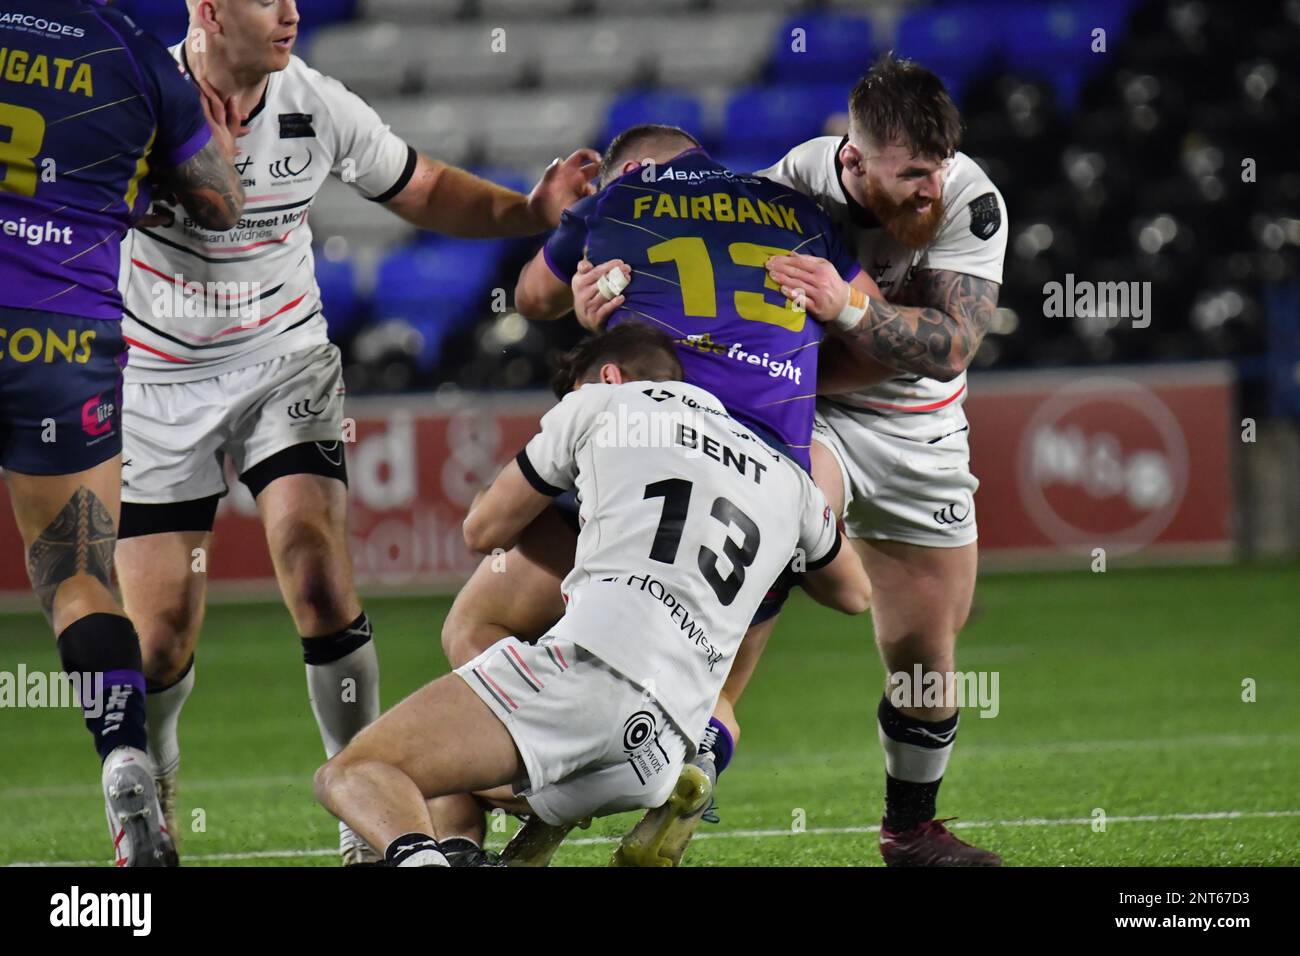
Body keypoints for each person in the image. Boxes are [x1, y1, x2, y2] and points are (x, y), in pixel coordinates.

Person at [112, 0, 599, 865]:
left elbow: (424, 186)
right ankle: (155, 810)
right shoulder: (140, 97)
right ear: (210, 11)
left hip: (284, 364)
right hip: (160, 383)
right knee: (157, 644)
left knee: (317, 573)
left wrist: (531, 209)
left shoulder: (314, 102)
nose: (292, 12)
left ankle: (363, 806)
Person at [575, 53, 1008, 866]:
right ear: (852, 160)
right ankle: (699, 739)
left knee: (926, 659)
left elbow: (951, 348)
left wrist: (845, 304)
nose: (930, 190)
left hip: (924, 435)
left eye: (938, 169)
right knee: (779, 520)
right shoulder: (794, 185)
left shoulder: (973, 203)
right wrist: (601, 298)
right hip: (823, 412)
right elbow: (709, 287)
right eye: (911, 173)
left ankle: (910, 831)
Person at [429, 123, 884, 865]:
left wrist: (588, 292)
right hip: (769, 485)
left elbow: (531, 296)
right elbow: (880, 348)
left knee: (473, 627)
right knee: (710, 686)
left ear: (630, 167)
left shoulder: (622, 194)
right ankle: (696, 757)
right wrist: (788, 371)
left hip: (646, 454)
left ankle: (540, 788)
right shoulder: (797, 210)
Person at [314, 323, 871, 867]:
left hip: (588, 679)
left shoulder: (602, 404)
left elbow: (482, 530)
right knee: (448, 775)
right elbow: (854, 594)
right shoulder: (788, 479)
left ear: (607, 376)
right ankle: (469, 850)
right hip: (662, 748)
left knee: (355, 772)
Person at [0, 0, 243, 865]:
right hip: (61, 338)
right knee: (78, 576)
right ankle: (126, 759)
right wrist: (150, 181)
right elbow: (220, 203)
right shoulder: (135, 53)